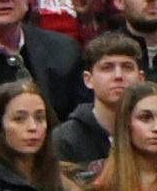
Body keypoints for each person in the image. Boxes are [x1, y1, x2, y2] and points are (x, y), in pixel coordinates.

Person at [53, 28, 142, 166]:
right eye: (107, 67)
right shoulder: (65, 139)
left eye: (127, 67)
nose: (118, 76)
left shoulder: (153, 132)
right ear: (88, 79)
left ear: (141, 78)